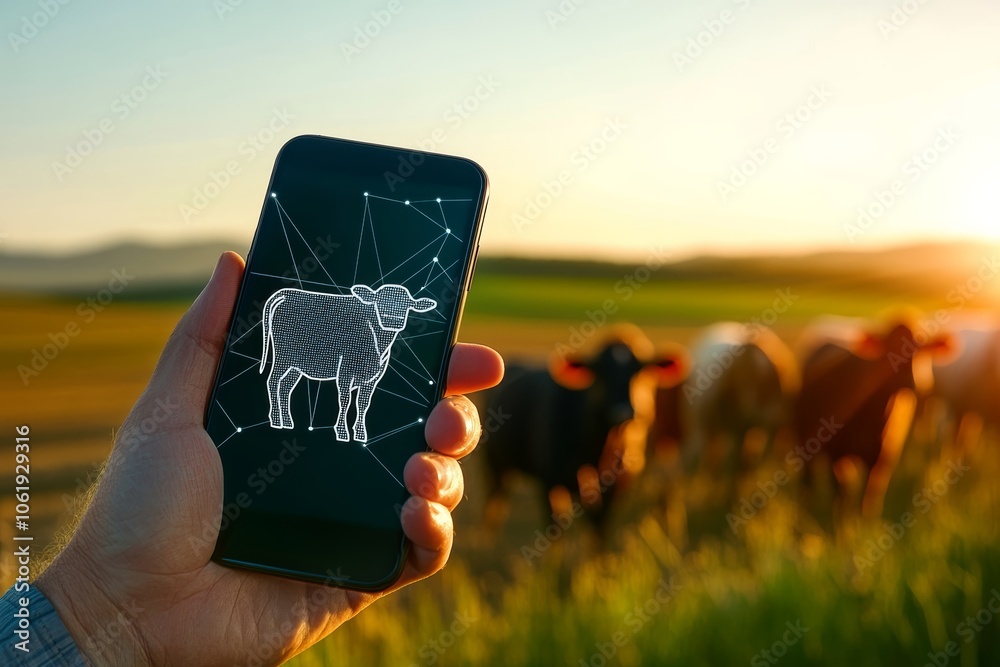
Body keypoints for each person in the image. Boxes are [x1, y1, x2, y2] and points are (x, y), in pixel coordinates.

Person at [0, 252, 504, 665]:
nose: (393, 317)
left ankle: (348, 425)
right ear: (372, 305)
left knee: (371, 398)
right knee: (286, 373)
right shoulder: (331, 317)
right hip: (305, 323)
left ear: (407, 312)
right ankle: (291, 411)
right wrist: (101, 610)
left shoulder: (381, 331)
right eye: (385, 309)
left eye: (400, 312)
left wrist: (101, 621)